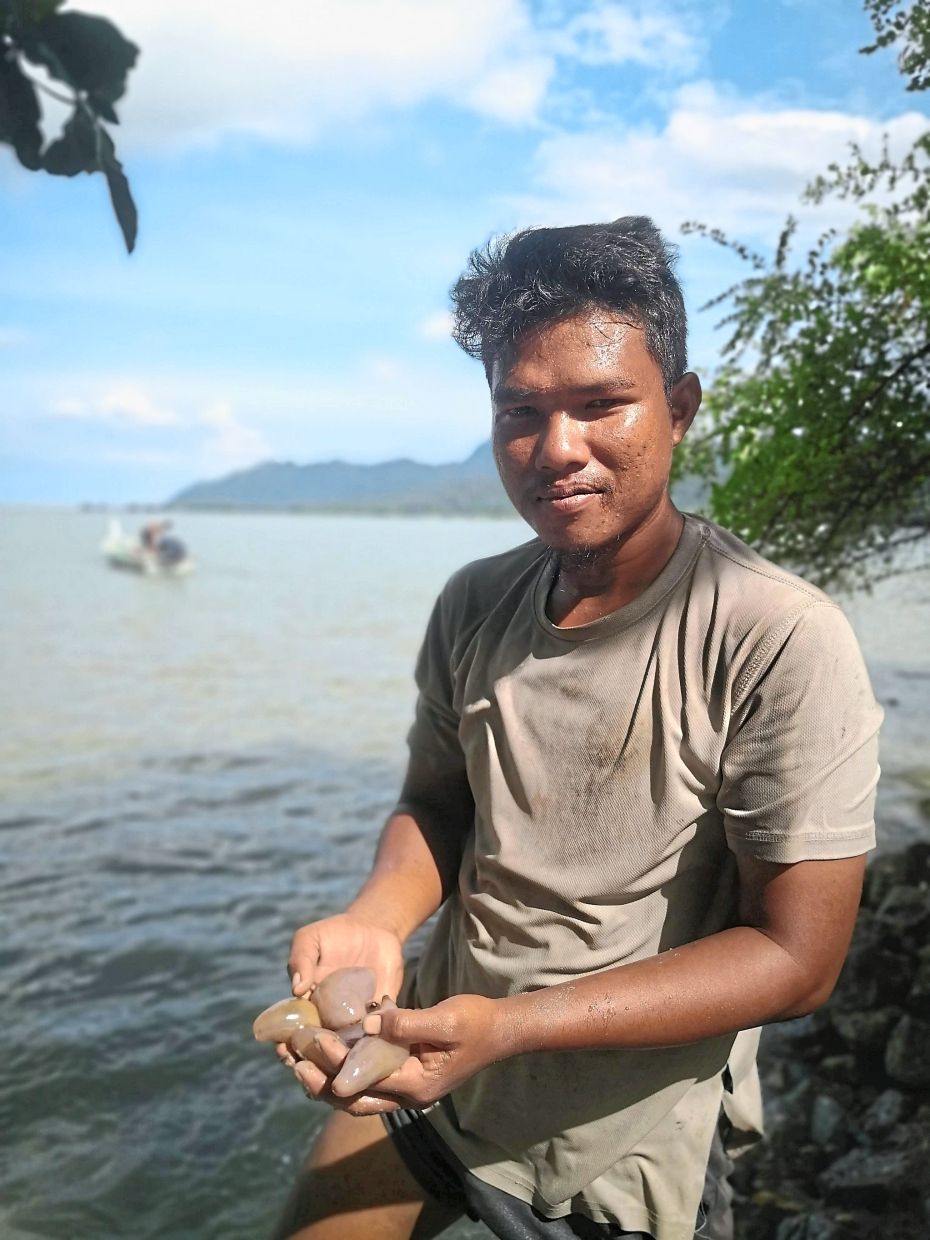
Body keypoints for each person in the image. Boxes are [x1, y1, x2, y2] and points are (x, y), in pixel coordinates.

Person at [270, 216, 882, 1240]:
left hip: (622, 1139)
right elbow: (438, 802)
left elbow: (798, 958)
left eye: (602, 404)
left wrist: (508, 1030)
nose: (558, 448)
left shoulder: (775, 635)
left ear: (679, 408)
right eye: (521, 411)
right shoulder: (475, 603)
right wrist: (378, 917)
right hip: (428, 1072)